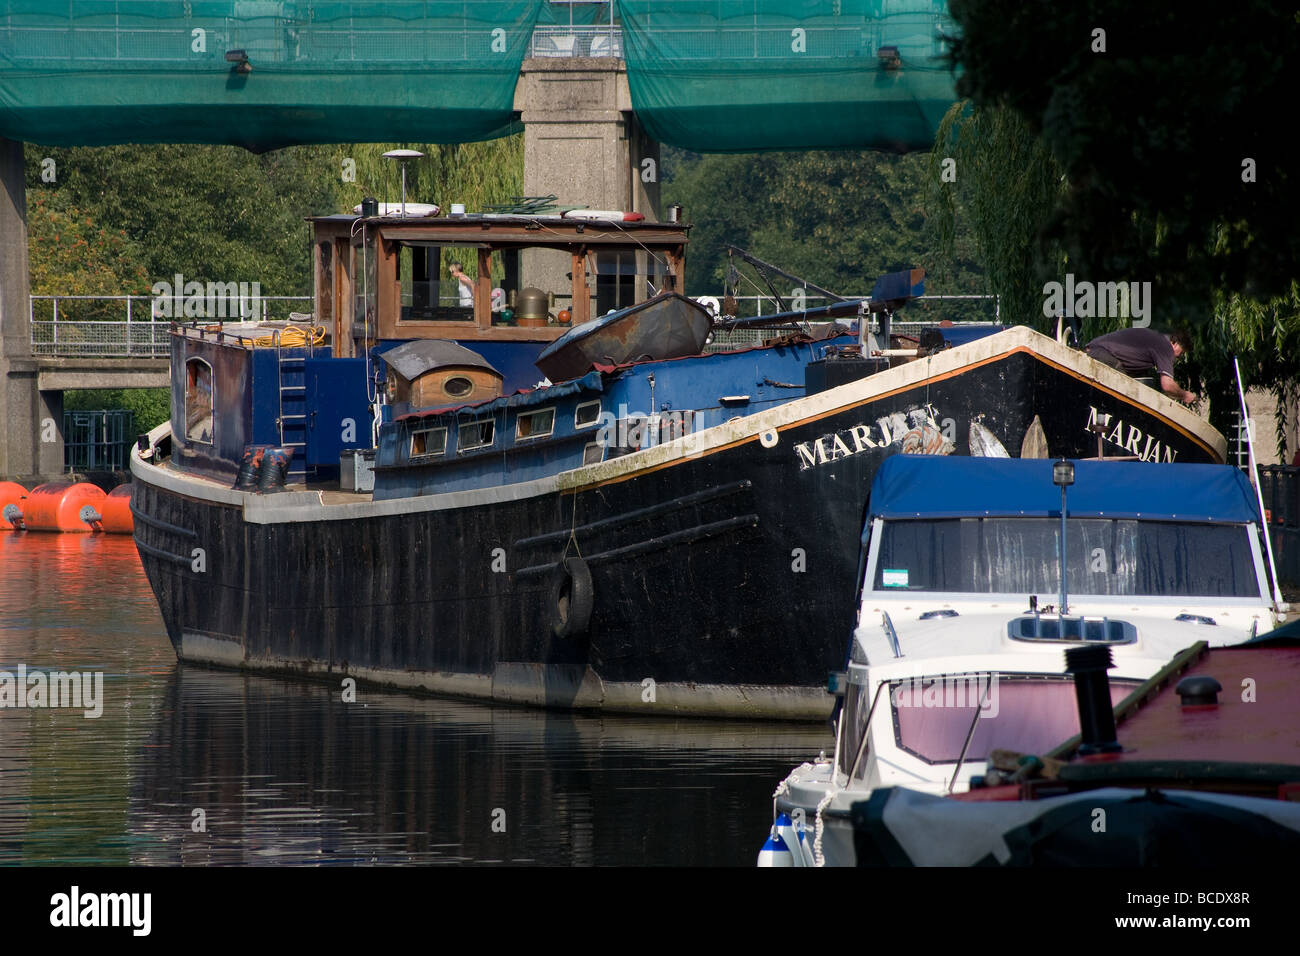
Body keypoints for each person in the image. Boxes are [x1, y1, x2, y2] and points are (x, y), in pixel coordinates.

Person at [1084, 327, 1196, 403]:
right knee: (1126, 399)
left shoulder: (1154, 338)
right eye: (1181, 353)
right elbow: (1167, 385)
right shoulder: (1165, 346)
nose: (1178, 357)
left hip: (1093, 350)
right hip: (1105, 356)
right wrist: (1184, 395)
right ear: (1175, 343)